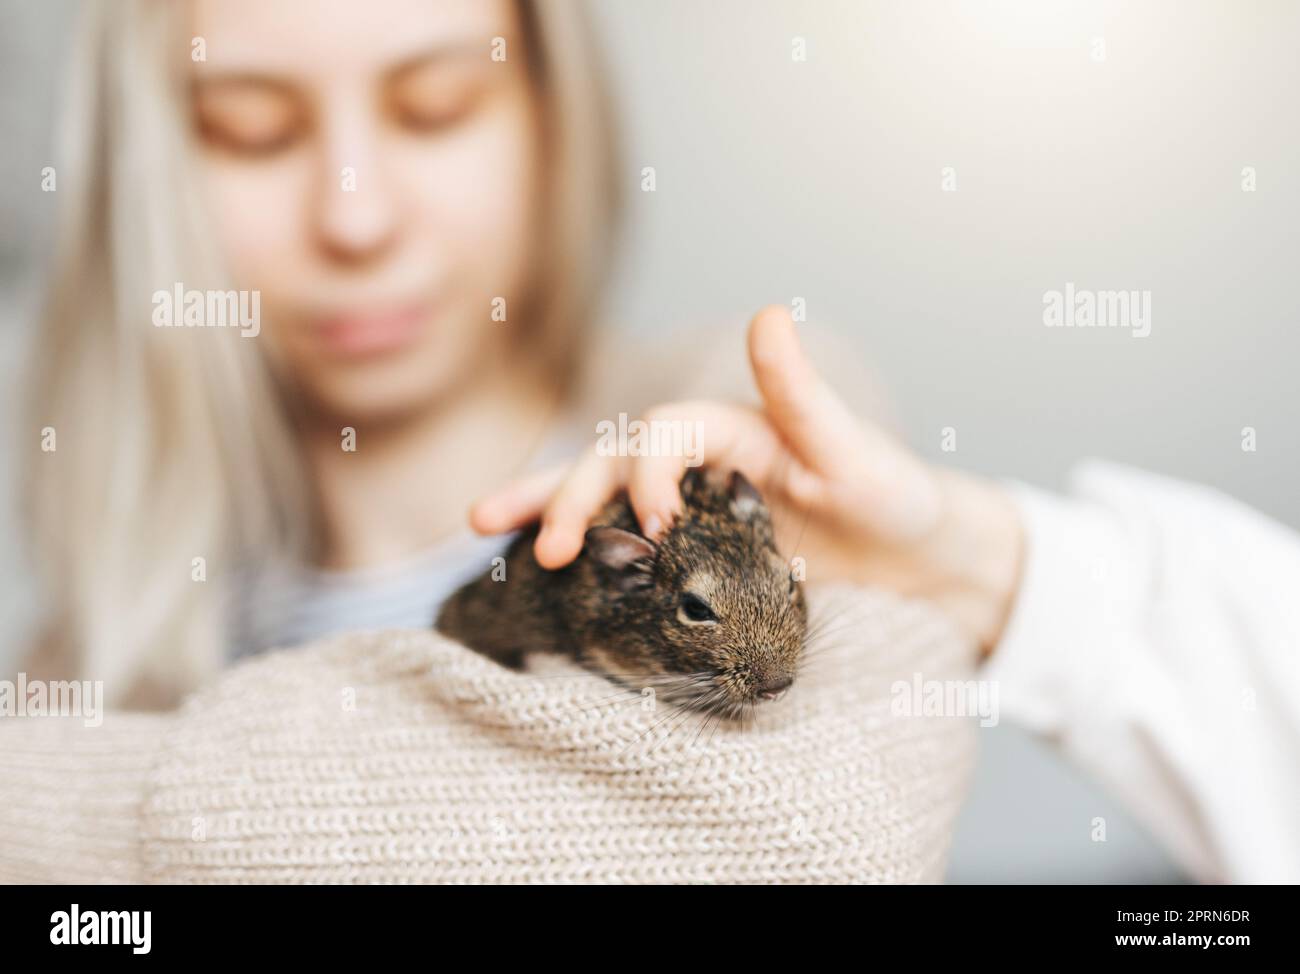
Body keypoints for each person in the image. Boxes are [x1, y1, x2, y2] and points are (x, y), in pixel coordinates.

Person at [13, 0, 1297, 883]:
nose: (356, 216)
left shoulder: (740, 422)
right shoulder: (92, 634)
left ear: (554, 121)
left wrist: (69, 811)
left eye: (439, 103)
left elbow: (797, 843)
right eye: (253, 130)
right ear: (152, 178)